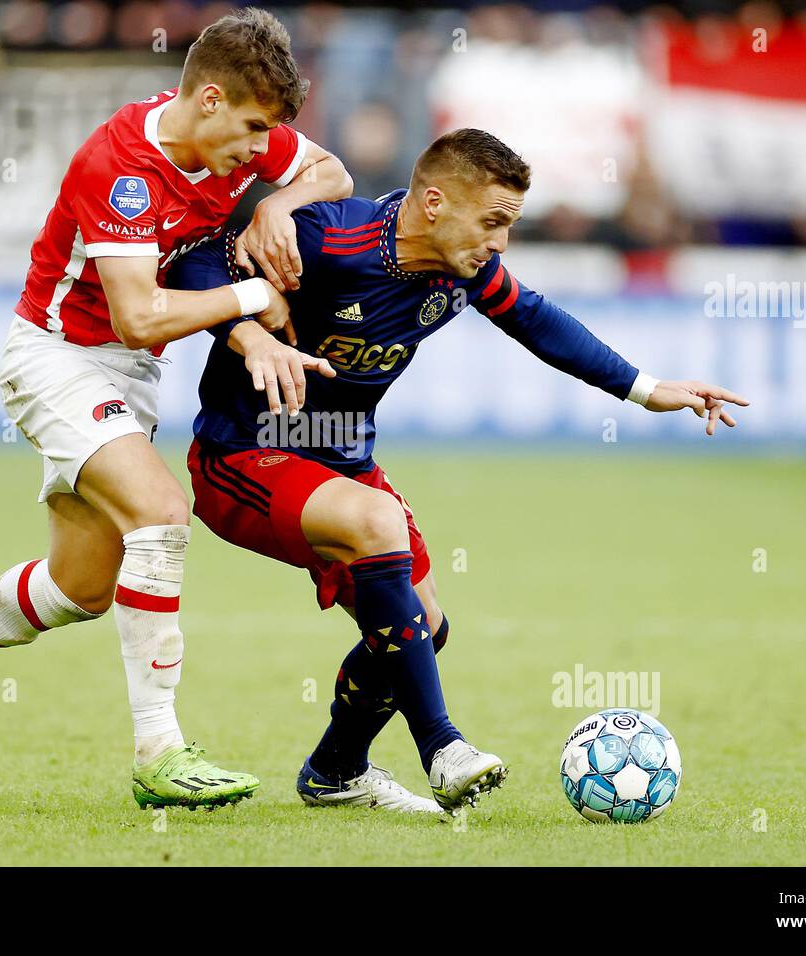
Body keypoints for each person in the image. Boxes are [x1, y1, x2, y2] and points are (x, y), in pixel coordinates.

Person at [170, 128, 748, 813]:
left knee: (425, 626)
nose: (500, 243)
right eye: (494, 222)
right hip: (244, 451)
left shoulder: (462, 272)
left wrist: (649, 390)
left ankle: (336, 771)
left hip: (341, 455)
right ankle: (442, 747)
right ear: (436, 203)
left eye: (509, 226)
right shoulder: (330, 238)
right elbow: (192, 265)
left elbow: (536, 320)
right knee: (379, 526)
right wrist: (250, 335)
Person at [0, 8, 352, 811]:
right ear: (207, 98)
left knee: (83, 587)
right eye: (249, 128)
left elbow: (333, 171)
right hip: (57, 357)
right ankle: (159, 750)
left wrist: (281, 202)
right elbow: (137, 314)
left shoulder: (243, 141)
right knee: (164, 514)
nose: (256, 149)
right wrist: (252, 298)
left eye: (267, 133)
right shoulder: (121, 166)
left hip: (129, 375)